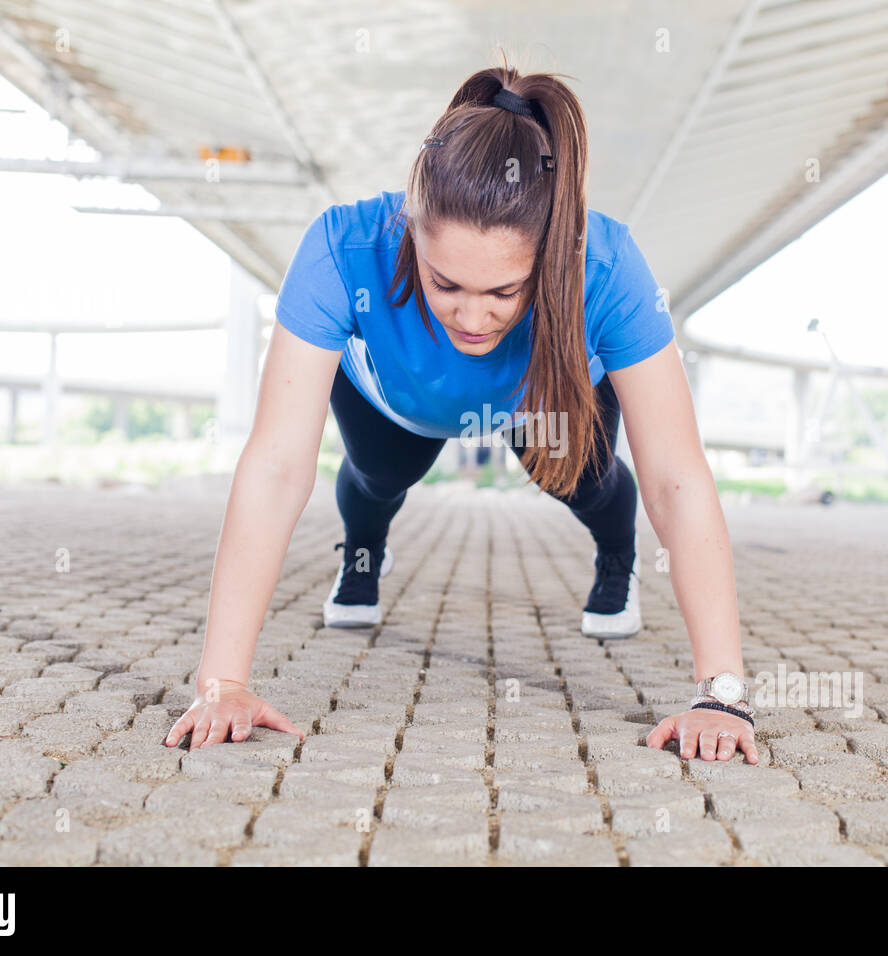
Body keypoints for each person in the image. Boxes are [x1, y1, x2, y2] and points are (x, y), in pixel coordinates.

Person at [165, 61, 758, 766]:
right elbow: (275, 465)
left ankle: (616, 557)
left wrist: (721, 695)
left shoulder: (607, 263)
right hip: (402, 398)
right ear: (411, 226)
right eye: (445, 283)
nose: (472, 318)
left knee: (587, 483)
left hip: (538, 396)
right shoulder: (342, 245)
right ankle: (362, 557)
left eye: (505, 291)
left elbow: (676, 479)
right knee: (377, 475)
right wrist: (222, 682)